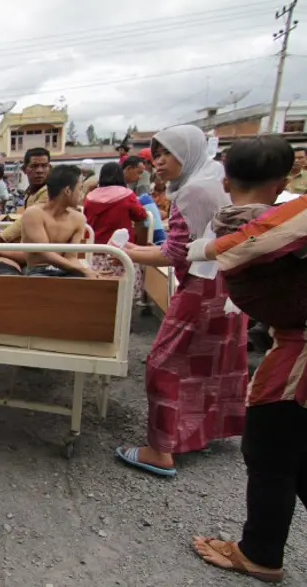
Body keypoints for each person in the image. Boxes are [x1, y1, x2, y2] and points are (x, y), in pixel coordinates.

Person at [185, 136, 305, 584]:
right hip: (289, 339)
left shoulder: (265, 229)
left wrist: (202, 250)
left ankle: (259, 553)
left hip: (298, 351)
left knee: (271, 449)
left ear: (226, 178)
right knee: (294, 448)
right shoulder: (266, 222)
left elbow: (226, 249)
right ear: (284, 181)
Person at [115, 124, 248, 477]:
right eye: (154, 155)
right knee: (209, 363)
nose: (157, 163)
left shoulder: (193, 191)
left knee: (164, 363)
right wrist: (134, 250)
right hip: (230, 284)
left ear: (185, 153)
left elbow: (177, 253)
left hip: (204, 286)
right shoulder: (214, 175)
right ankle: (202, 432)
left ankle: (160, 450)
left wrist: (128, 254)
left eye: (164, 155)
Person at [20, 165, 96, 278]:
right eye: (80, 189)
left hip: (66, 270)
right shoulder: (33, 214)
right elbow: (45, 252)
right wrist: (82, 271)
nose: (82, 195)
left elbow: (71, 257)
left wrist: (89, 274)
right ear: (67, 191)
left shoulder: (79, 219)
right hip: (38, 271)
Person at [84, 162, 147, 246]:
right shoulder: (127, 195)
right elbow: (141, 215)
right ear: (121, 176)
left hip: (94, 247)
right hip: (122, 248)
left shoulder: (90, 197)